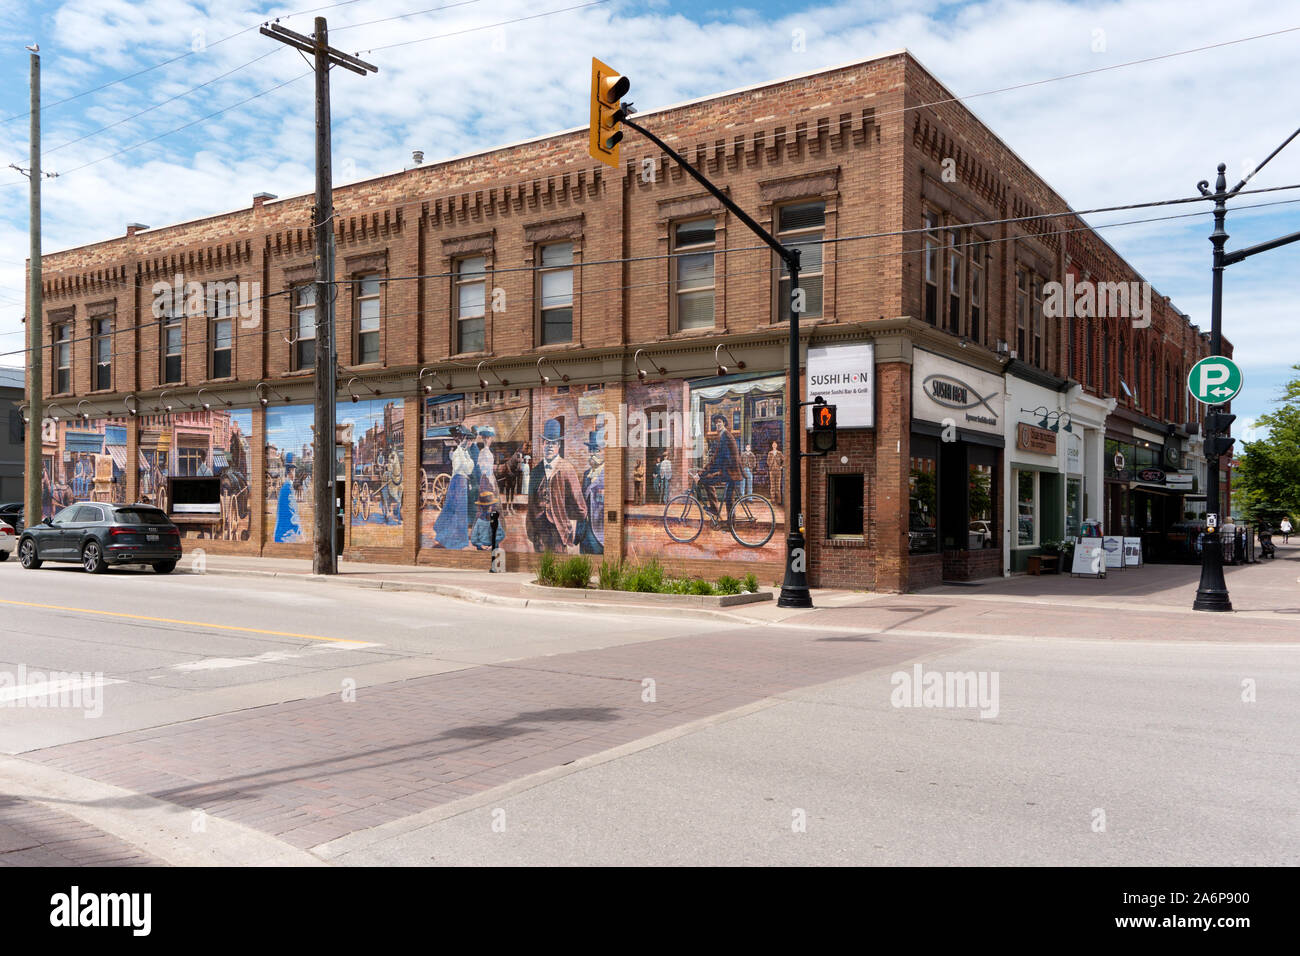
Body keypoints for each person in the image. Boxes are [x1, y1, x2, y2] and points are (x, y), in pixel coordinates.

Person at [527, 418, 587, 553]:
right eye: (547, 442)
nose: (549, 446)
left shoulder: (567, 469)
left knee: (559, 562)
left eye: (553, 443)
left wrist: (563, 515)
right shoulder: (536, 471)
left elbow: (580, 506)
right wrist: (532, 530)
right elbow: (531, 504)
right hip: (539, 529)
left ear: (559, 446)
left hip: (558, 530)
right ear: (542, 444)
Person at [433, 427, 473, 549]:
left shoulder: (464, 453)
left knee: (461, 511)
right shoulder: (458, 453)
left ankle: (459, 537)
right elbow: (465, 468)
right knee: (457, 510)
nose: (469, 442)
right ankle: (452, 538)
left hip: (462, 482)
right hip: (458, 482)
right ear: (463, 439)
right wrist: (468, 465)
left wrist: (468, 465)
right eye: (467, 439)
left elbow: (469, 468)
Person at [701, 414, 743, 521]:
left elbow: (721, 456)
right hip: (730, 470)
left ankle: (716, 510)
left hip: (730, 471)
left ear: (724, 423)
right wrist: (707, 469)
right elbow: (717, 456)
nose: (717, 424)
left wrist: (714, 471)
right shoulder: (722, 435)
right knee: (729, 498)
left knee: (706, 481)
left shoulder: (725, 435)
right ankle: (729, 522)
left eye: (719, 422)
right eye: (716, 423)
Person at [576, 429, 605, 555]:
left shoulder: (609, 475)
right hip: (584, 533)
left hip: (600, 534)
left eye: (597, 450)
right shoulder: (586, 474)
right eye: (591, 450)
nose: (593, 454)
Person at [274, 460, 303, 543]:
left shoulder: (285, 487)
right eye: (294, 471)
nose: (295, 474)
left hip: (283, 534)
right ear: (290, 472)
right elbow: (292, 510)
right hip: (286, 536)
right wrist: (298, 529)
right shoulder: (288, 488)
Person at [767, 441, 784, 505]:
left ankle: (778, 500)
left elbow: (784, 460)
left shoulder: (779, 453)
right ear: (772, 445)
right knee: (772, 485)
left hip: (778, 471)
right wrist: (770, 466)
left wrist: (781, 466)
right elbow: (768, 461)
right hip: (772, 471)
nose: (774, 445)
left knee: (778, 485)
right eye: (773, 444)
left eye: (775, 444)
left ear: (776, 445)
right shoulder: (770, 453)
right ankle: (773, 500)